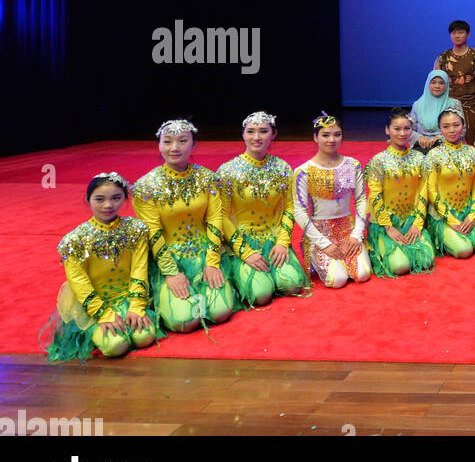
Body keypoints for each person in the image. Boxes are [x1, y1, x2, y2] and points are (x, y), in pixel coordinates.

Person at [131, 119, 236, 332]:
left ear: (193, 144)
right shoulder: (145, 186)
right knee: (184, 322)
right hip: (169, 257)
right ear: (159, 144)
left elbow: (215, 220)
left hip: (205, 252)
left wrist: (212, 262)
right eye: (167, 141)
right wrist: (171, 273)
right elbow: (153, 233)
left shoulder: (208, 178)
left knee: (220, 312)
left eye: (182, 141)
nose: (174, 148)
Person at [44, 173, 160, 362]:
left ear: (125, 198)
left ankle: (127, 322)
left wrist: (137, 306)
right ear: (87, 199)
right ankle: (99, 330)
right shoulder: (75, 240)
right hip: (94, 304)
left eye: (116, 198)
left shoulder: (136, 229)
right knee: (116, 346)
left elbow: (139, 268)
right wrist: (102, 313)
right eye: (99, 199)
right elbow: (79, 281)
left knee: (144, 337)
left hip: (127, 297)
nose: (108, 205)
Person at [217, 111, 309, 308]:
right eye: (251, 131)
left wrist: (283, 242)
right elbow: (222, 216)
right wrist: (244, 252)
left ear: (273, 134)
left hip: (273, 240)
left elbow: (289, 208)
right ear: (243, 134)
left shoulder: (282, 168)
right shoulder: (227, 171)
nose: (256, 137)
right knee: (260, 295)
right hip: (243, 241)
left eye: (263, 131)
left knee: (292, 285)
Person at [292, 112, 372, 289]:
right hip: (320, 233)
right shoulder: (304, 171)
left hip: (347, 230)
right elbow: (299, 211)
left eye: (337, 134)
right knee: (338, 280)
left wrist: (356, 235)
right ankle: (316, 255)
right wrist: (324, 244)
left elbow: (361, 200)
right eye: (325, 135)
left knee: (362, 274)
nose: (332, 139)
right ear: (315, 137)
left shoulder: (352, 165)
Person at [365, 108, 435, 277]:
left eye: (407, 128)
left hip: (411, 220)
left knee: (427, 261)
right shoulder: (378, 161)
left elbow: (423, 193)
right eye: (397, 129)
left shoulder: (419, 158)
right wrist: (388, 227)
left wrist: (418, 223)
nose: (402, 133)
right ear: (387, 130)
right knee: (400, 267)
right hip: (385, 223)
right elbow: (375, 196)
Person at [426, 103, 475, 259]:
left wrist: (472, 214)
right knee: (464, 251)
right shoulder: (434, 155)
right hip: (442, 215)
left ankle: (460, 233)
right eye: (446, 126)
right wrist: (450, 219)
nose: (452, 130)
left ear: (463, 126)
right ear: (440, 129)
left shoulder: (473, 152)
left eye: (456, 125)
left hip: (466, 212)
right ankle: (441, 235)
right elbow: (431, 191)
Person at [433, 20, 475, 142]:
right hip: (448, 105)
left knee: (472, 140)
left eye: (460, 32)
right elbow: (435, 81)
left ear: (468, 34)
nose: (457, 36)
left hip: (470, 106)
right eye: (454, 33)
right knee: (447, 139)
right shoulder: (443, 57)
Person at [410, 69, 459, 154]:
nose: (437, 86)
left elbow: (461, 129)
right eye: (433, 82)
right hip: (421, 146)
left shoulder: (454, 104)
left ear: (447, 85)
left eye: (441, 83)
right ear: (428, 84)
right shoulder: (417, 105)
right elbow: (409, 129)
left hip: (446, 146)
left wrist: (441, 138)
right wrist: (419, 138)